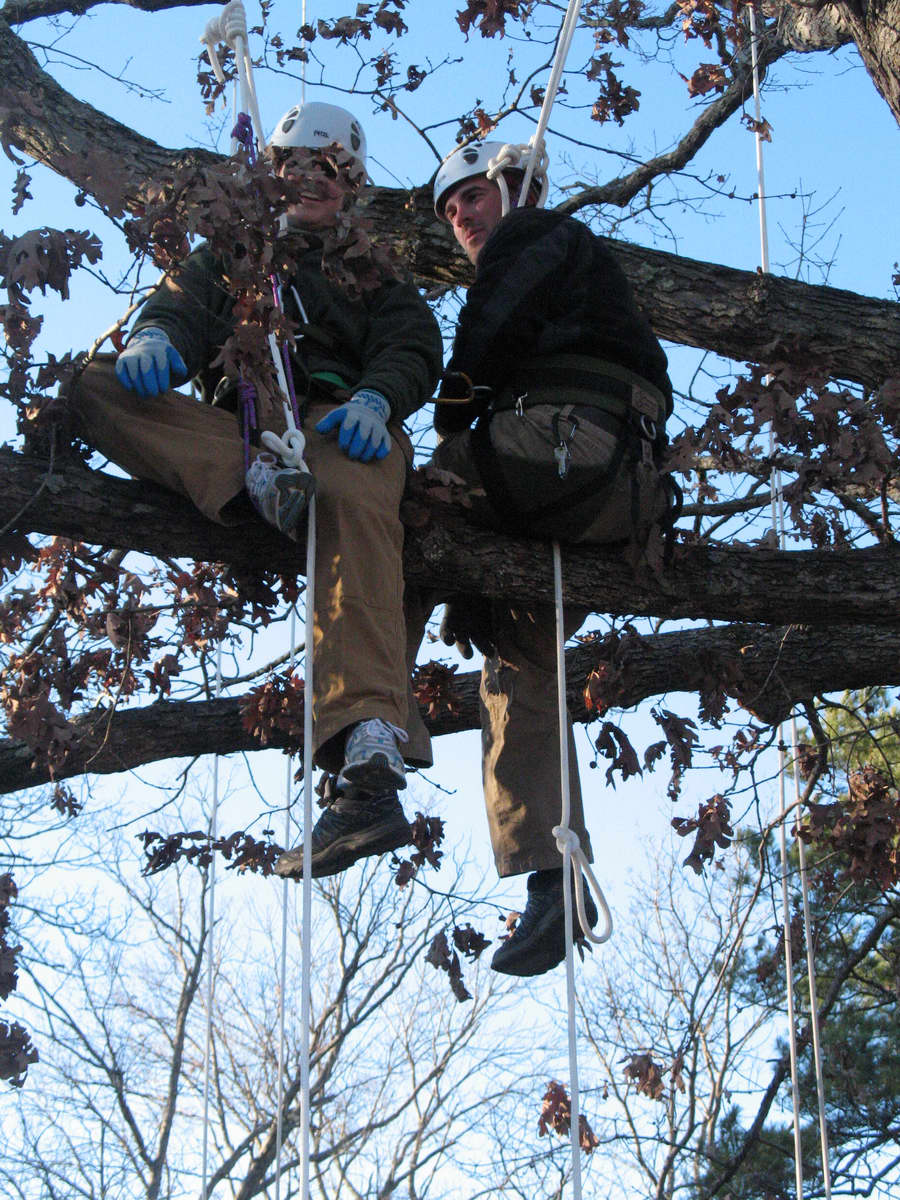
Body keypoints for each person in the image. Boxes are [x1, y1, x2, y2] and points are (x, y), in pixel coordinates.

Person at [68, 102, 442, 875]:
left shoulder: (372, 272)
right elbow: (181, 301)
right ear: (271, 177)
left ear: (351, 186)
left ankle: (368, 742)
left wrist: (377, 399)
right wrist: (158, 337)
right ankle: (257, 486)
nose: (310, 181)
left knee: (353, 501)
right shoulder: (237, 254)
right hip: (242, 429)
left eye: (329, 171)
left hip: (339, 425)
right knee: (94, 381)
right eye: (295, 168)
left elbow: (412, 344)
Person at [426, 141, 674, 977]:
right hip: (605, 492)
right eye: (450, 210)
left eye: (472, 196)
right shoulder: (559, 271)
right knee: (514, 661)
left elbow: (492, 323)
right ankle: (550, 873)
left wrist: (458, 396)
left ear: (514, 186)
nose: (463, 216)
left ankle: (364, 730)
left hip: (571, 449)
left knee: (392, 497)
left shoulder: (539, 236)